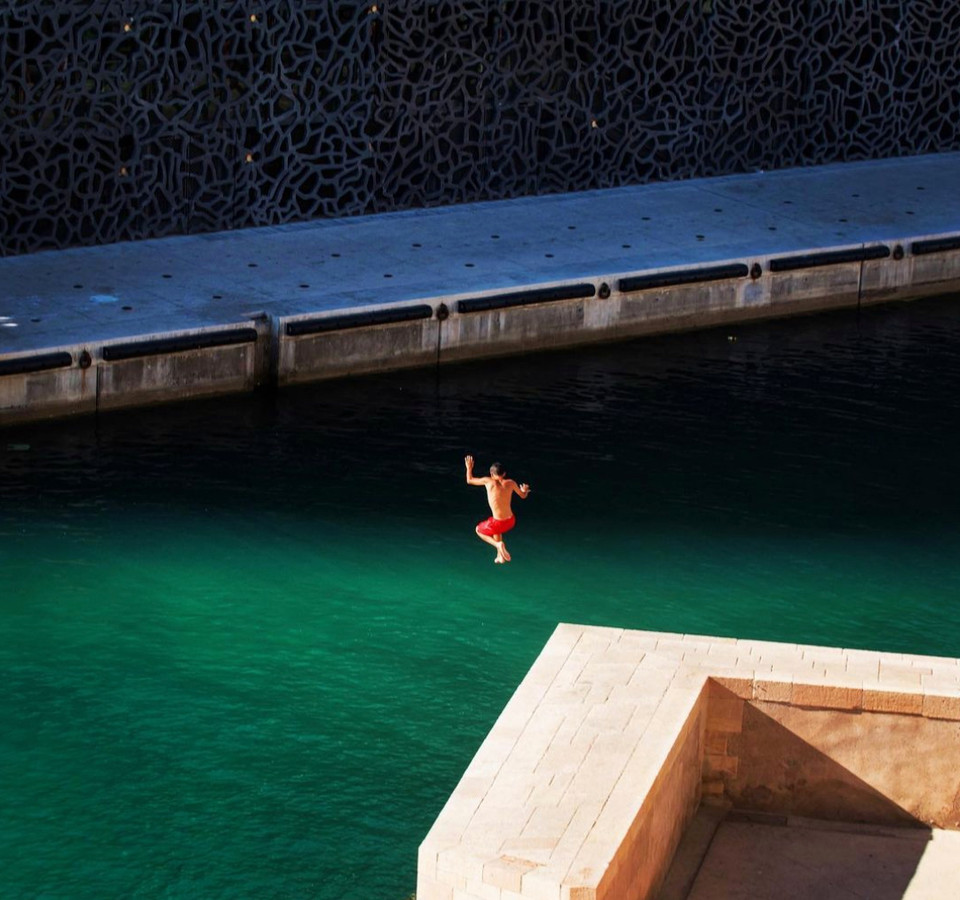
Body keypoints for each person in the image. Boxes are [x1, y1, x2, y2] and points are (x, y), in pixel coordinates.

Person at [464, 455, 531, 564]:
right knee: (496, 528)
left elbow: (469, 480)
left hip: (499, 522)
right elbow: (523, 496)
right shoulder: (511, 483)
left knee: (478, 530)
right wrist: (525, 490)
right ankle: (500, 556)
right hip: (511, 521)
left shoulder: (488, 481)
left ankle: (498, 545)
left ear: (491, 474)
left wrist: (469, 468)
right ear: (504, 474)